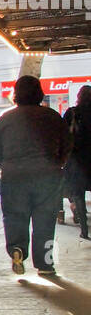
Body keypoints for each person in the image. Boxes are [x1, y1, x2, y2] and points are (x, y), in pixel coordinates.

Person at [0, 75, 71, 276]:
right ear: (39, 93)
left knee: (15, 216)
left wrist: (5, 164)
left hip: (13, 176)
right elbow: (67, 144)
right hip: (47, 176)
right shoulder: (52, 117)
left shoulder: (4, 119)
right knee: (45, 220)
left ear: (16, 94)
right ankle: (45, 263)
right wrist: (57, 163)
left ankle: (17, 249)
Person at [63, 88, 91, 239]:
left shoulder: (72, 113)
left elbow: (63, 134)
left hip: (77, 160)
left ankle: (84, 229)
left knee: (78, 194)